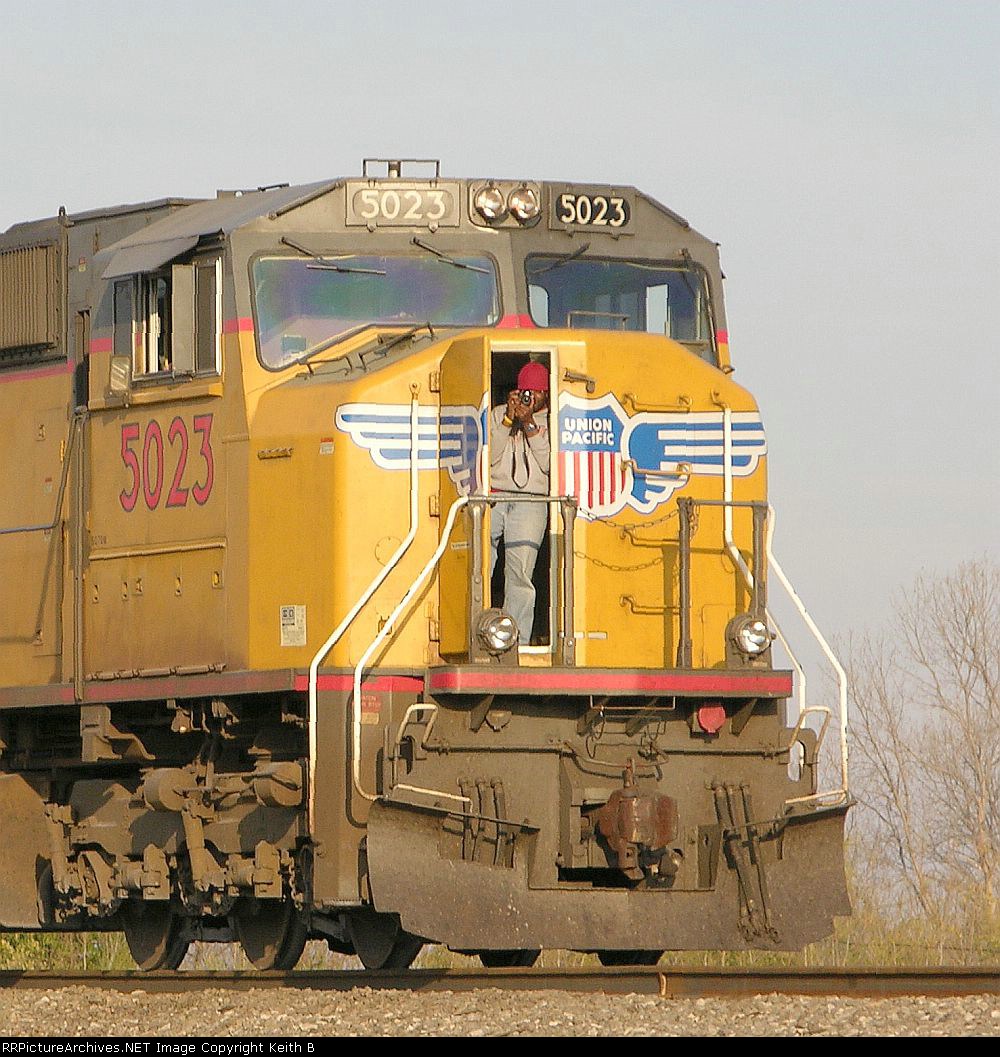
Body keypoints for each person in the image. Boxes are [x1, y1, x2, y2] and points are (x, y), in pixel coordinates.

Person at [488, 362, 550, 646]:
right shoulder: (499, 415)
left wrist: (530, 427)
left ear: (546, 394)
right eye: (525, 393)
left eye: (535, 394)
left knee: (521, 574)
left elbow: (550, 465)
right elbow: (487, 457)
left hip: (532, 501)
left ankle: (516, 641)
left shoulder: (555, 422)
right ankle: (476, 632)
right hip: (494, 497)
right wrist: (508, 421)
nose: (529, 399)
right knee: (478, 566)